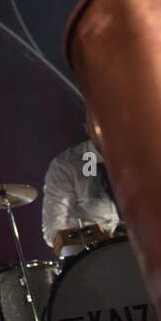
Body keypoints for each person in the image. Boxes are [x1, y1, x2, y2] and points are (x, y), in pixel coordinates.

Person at [41, 111, 123, 259]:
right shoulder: (67, 165)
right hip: (90, 258)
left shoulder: (130, 159)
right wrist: (91, 238)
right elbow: (54, 232)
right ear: (88, 128)